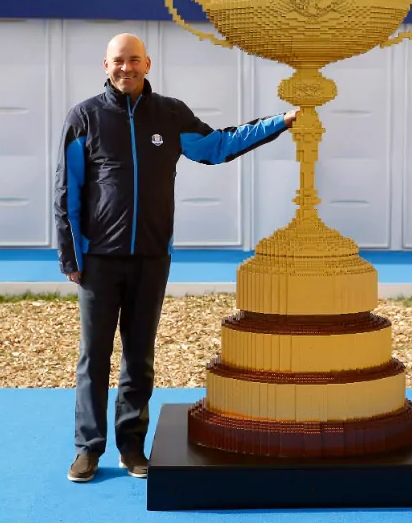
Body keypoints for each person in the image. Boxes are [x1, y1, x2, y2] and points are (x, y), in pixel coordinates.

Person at [54, 33, 297, 483]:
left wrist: (280, 122)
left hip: (151, 256)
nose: (125, 68)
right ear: (105, 65)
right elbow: (67, 190)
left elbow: (218, 146)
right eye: (117, 61)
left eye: (133, 60)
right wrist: (70, 254)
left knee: (139, 356)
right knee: (94, 356)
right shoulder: (84, 118)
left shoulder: (170, 113)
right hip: (98, 261)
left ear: (148, 63)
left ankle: (131, 447)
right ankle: (88, 448)